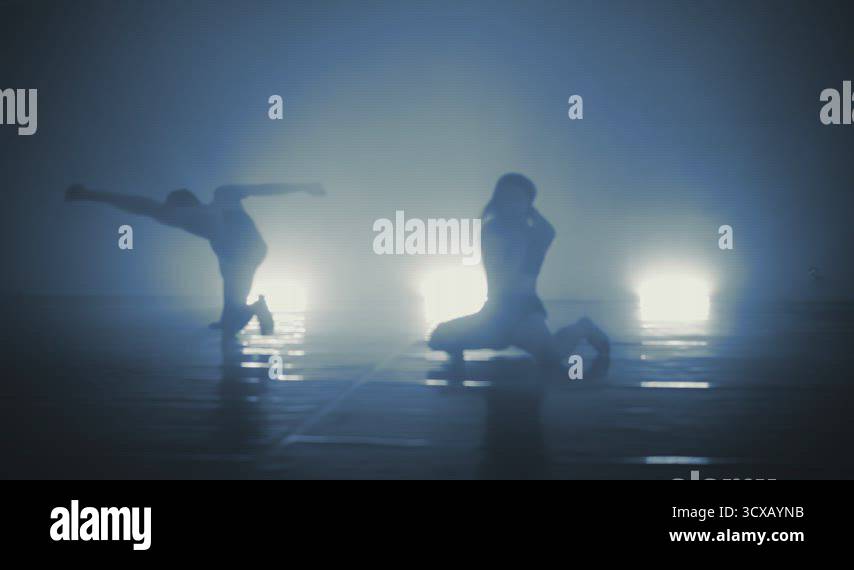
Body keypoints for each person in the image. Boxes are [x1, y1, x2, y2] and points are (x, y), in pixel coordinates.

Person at [65, 182, 325, 336]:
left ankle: (254, 308)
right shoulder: (224, 195)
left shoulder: (178, 215)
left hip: (238, 250)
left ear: (177, 205)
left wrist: (89, 194)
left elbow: (139, 204)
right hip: (249, 249)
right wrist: (303, 186)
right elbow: (265, 189)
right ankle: (233, 315)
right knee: (229, 287)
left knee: (231, 297)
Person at [428, 173, 609, 370]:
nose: (509, 203)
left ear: (527, 204)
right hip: (494, 311)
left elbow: (548, 232)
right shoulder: (491, 230)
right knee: (439, 338)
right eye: (505, 197)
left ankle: (583, 328)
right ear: (497, 200)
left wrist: (531, 217)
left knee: (551, 356)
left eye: (516, 198)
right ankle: (497, 338)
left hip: (524, 312)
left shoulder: (534, 236)